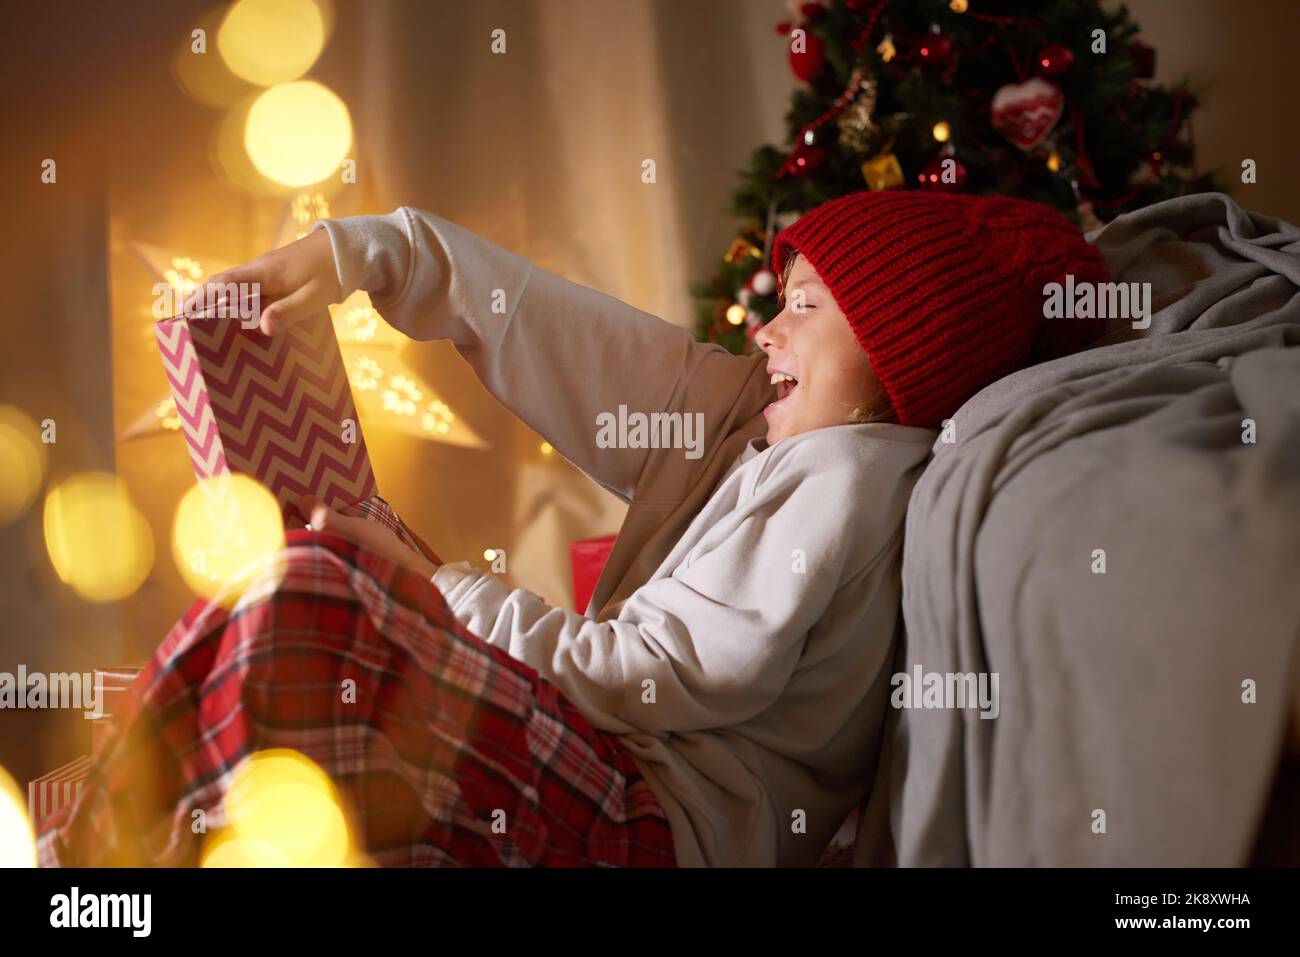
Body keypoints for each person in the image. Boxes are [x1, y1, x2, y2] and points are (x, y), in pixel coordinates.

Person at [39, 190, 1108, 868]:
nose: (765, 326)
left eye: (806, 307)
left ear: (899, 349)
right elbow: (554, 335)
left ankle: (102, 847)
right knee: (298, 634)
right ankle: (124, 833)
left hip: (647, 823)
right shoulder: (761, 425)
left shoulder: (843, 482)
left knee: (313, 599)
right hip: (599, 771)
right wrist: (367, 254)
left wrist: (434, 587)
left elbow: (649, 671)